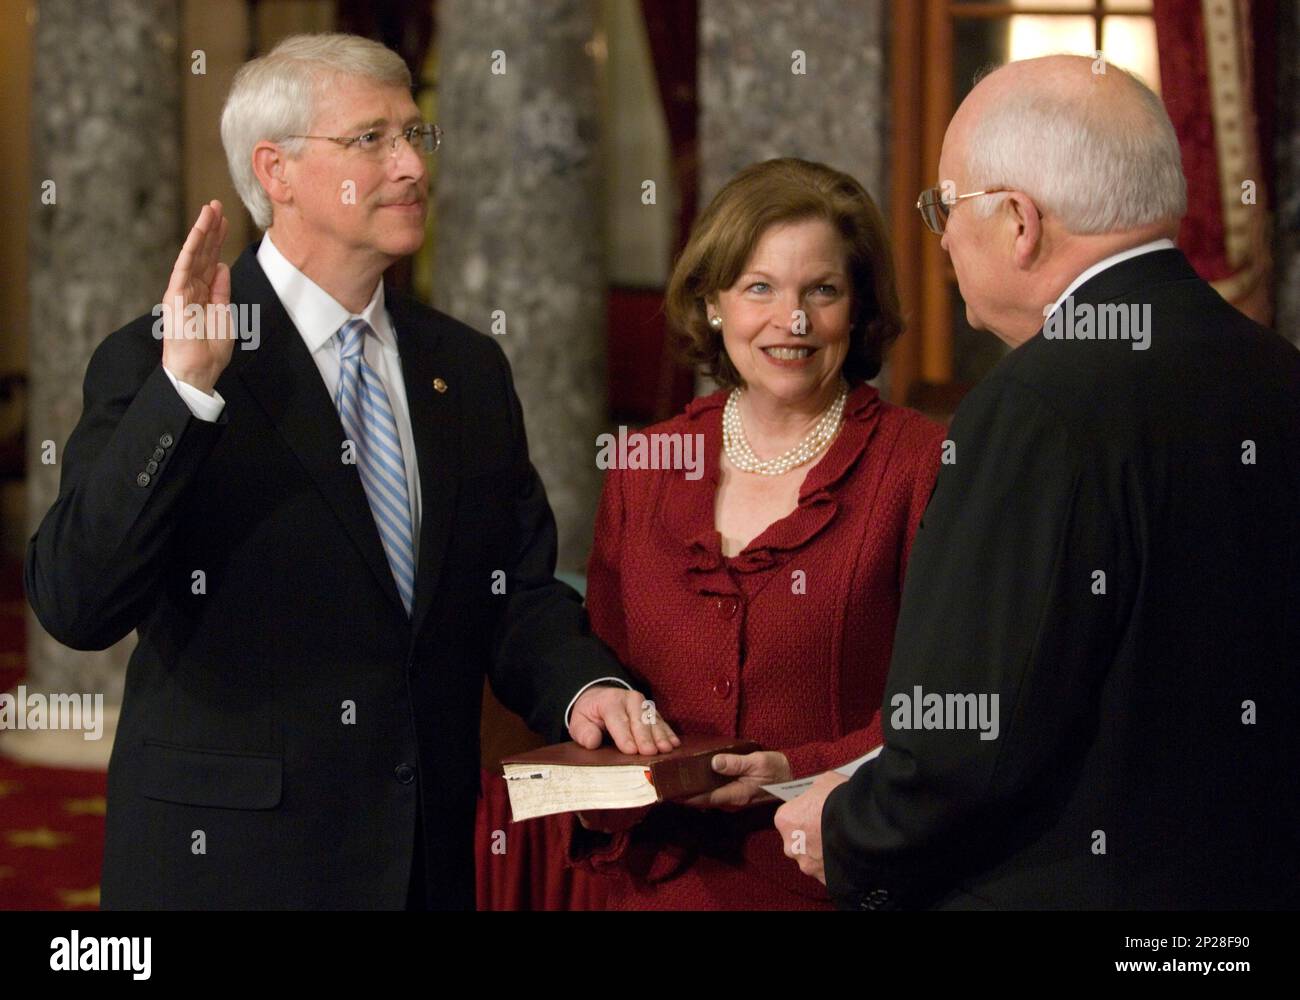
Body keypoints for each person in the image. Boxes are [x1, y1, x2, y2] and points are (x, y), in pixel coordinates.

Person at [24, 32, 678, 911]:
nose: (412, 163)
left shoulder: (467, 371)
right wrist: (184, 395)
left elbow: (513, 588)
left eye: (417, 134)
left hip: (418, 860)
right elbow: (76, 600)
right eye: (371, 139)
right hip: (230, 867)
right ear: (278, 170)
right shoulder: (163, 362)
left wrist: (581, 684)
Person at [776, 55, 1300, 909]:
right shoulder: (1276, 369)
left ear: (1018, 222)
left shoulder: (1034, 408)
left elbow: (971, 732)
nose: (940, 239)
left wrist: (843, 830)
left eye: (944, 208)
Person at [566, 158, 945, 909]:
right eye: (760, 287)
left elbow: (943, 704)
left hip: (830, 878)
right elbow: (603, 672)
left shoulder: (920, 466)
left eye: (823, 291)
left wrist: (798, 769)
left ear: (859, 307)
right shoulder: (645, 463)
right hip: (653, 886)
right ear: (712, 303)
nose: (792, 321)